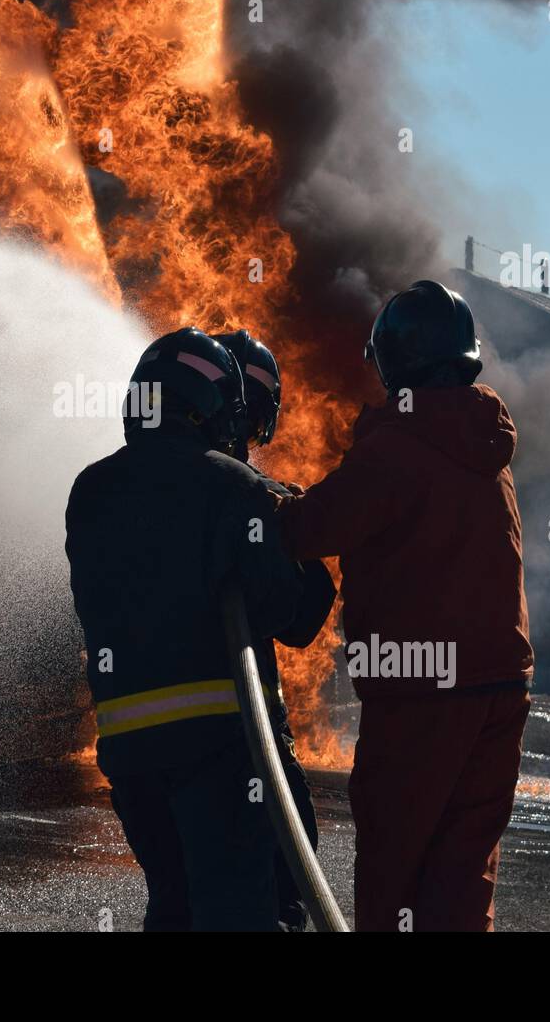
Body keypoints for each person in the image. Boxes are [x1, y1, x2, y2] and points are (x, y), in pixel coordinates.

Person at [277, 280, 534, 932]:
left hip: (422, 691)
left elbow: (309, 530)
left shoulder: (397, 445)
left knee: (396, 866)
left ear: (393, 360)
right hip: (502, 688)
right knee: (461, 872)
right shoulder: (487, 444)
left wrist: (260, 503)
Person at [64, 327, 324, 931]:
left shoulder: (90, 490)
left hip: (130, 757)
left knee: (174, 909)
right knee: (244, 913)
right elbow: (296, 614)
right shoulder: (231, 487)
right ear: (211, 406)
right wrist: (290, 525)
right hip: (217, 751)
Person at [214, 329, 335, 931]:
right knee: (281, 895)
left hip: (145, 754)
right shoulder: (245, 497)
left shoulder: (124, 490)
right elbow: (302, 619)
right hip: (243, 744)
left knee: (185, 902)